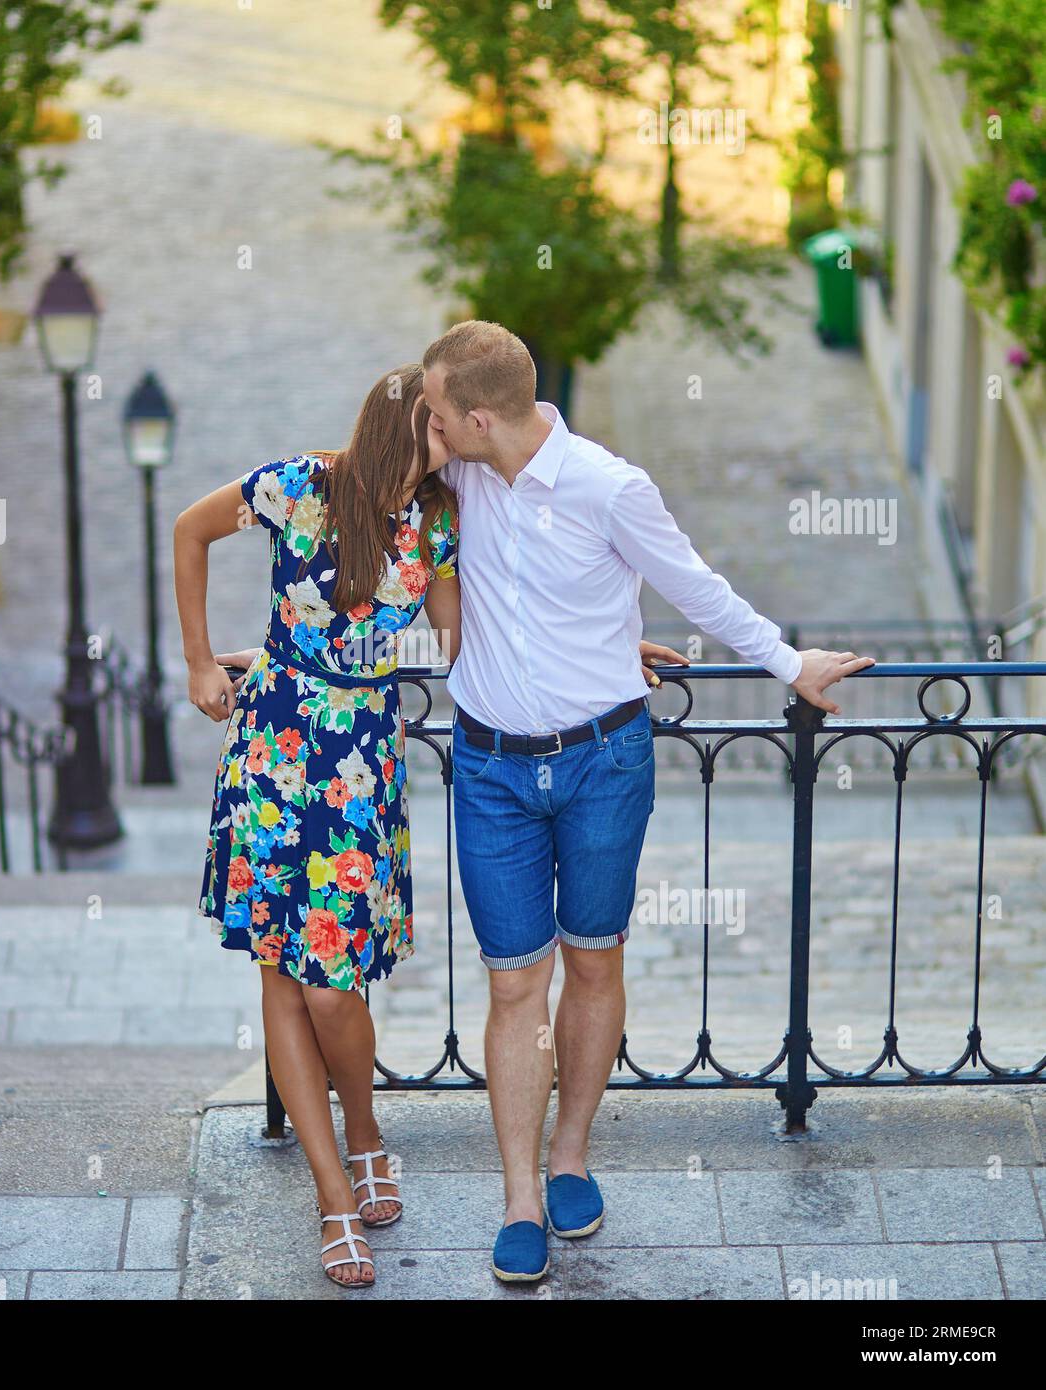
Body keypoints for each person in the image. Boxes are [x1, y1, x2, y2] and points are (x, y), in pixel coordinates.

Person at [418, 319, 874, 1283]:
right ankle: (519, 1200)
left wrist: (791, 664)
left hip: (604, 765)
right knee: (512, 983)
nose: (427, 426)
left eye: (437, 413)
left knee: (593, 960)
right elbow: (370, 497)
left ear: (481, 415)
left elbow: (696, 588)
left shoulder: (608, 487)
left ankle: (572, 1155)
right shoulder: (452, 477)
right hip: (492, 770)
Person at [172, 364, 459, 1288]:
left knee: (330, 986)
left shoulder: (438, 520)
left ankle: (367, 1133)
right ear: (403, 428)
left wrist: (614, 644)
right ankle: (336, 1193)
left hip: (362, 757)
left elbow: (461, 642)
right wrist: (198, 664)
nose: (456, 445)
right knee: (284, 978)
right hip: (272, 749)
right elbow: (189, 530)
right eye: (443, 431)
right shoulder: (297, 486)